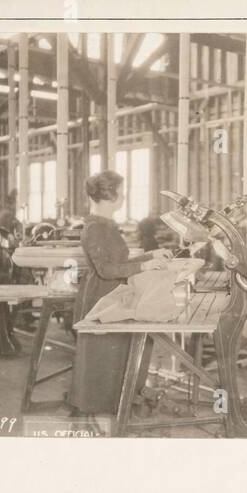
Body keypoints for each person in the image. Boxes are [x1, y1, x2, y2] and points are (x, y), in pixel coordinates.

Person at [67, 170, 169, 415]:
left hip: (113, 293)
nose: (123, 198)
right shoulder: (94, 228)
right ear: (109, 196)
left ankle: (119, 399)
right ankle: (102, 405)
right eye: (121, 194)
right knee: (105, 356)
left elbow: (119, 261)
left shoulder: (107, 227)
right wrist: (144, 265)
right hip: (102, 297)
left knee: (121, 352)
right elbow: (106, 269)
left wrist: (151, 255)